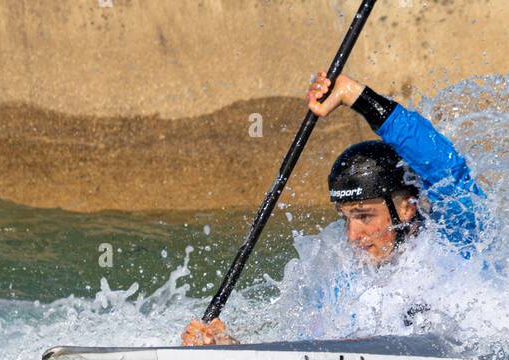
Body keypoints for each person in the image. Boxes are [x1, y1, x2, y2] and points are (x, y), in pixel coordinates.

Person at [181, 71, 489, 346]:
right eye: (346, 218)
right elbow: (309, 354)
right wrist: (231, 352)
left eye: (364, 215)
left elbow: (448, 170)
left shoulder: (458, 242)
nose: (353, 235)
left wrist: (356, 96)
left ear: (407, 207)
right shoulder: (344, 276)